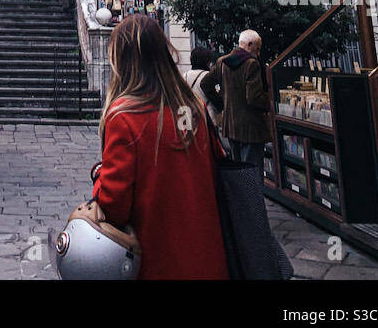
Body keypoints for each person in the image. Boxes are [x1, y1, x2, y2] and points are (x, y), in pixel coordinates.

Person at [87, 14, 229, 280]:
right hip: (208, 258)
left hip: (158, 262)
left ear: (122, 60)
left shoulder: (124, 116)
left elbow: (114, 206)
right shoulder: (194, 108)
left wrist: (99, 176)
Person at [200, 29, 270, 180]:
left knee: (239, 172)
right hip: (251, 128)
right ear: (249, 44)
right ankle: (253, 203)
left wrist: (222, 104)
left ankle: (241, 203)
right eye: (257, 49)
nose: (258, 53)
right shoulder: (251, 64)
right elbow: (254, 97)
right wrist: (269, 103)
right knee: (252, 174)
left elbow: (205, 84)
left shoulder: (222, 62)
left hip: (231, 126)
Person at [184, 45, 223, 132]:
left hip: (189, 119)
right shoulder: (209, 77)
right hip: (208, 117)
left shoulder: (184, 76)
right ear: (207, 61)